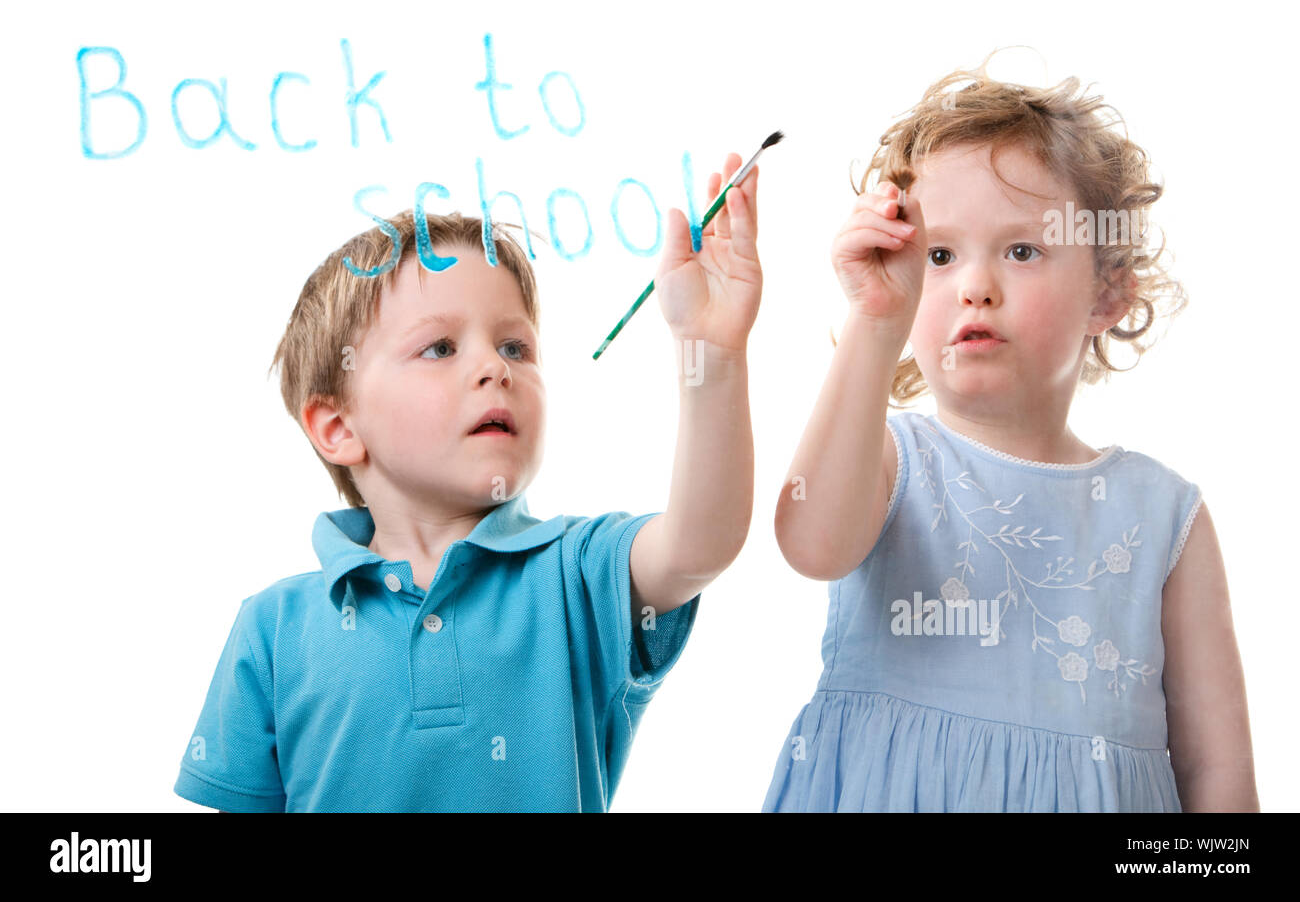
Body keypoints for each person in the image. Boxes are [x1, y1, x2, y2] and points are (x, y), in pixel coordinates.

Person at [174, 153, 761, 811]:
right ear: (338, 427)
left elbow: (700, 543)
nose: (494, 367)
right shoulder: (272, 630)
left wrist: (710, 352)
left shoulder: (578, 574)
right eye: (440, 348)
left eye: (515, 347)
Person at [763, 64, 1257, 811]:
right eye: (939, 255)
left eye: (1022, 251)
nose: (974, 286)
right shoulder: (893, 462)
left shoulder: (1161, 515)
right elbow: (810, 544)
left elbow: (1217, 774)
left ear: (1108, 292)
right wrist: (873, 321)